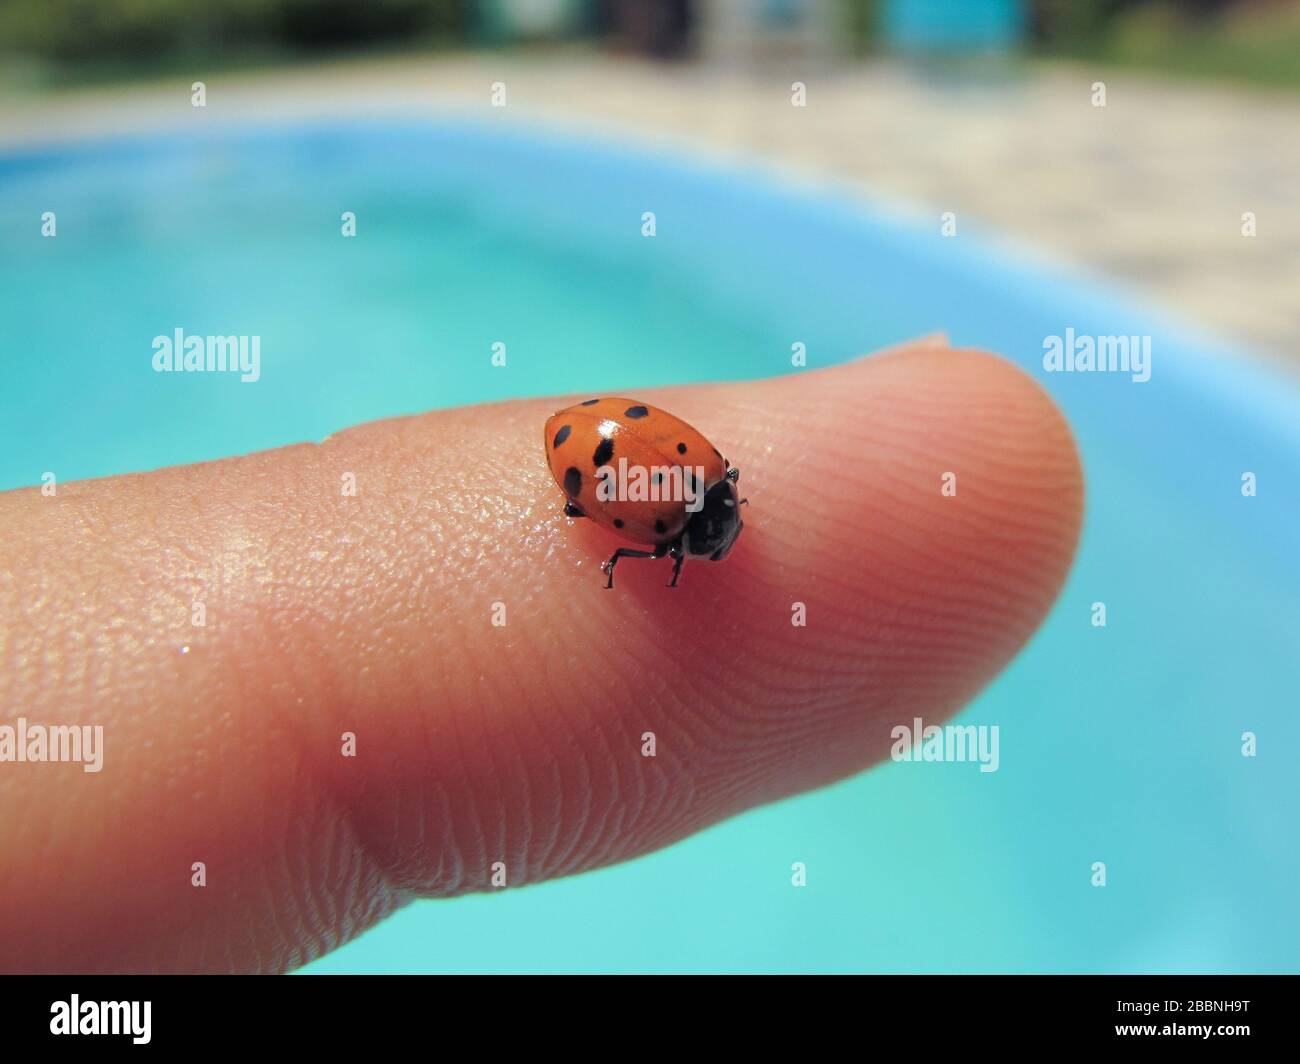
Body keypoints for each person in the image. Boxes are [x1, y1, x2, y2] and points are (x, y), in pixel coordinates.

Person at [0, 336, 1083, 973]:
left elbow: (632, 501)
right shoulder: (671, 513)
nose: (718, 541)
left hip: (602, 446)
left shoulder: (678, 500)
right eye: (712, 533)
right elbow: (624, 512)